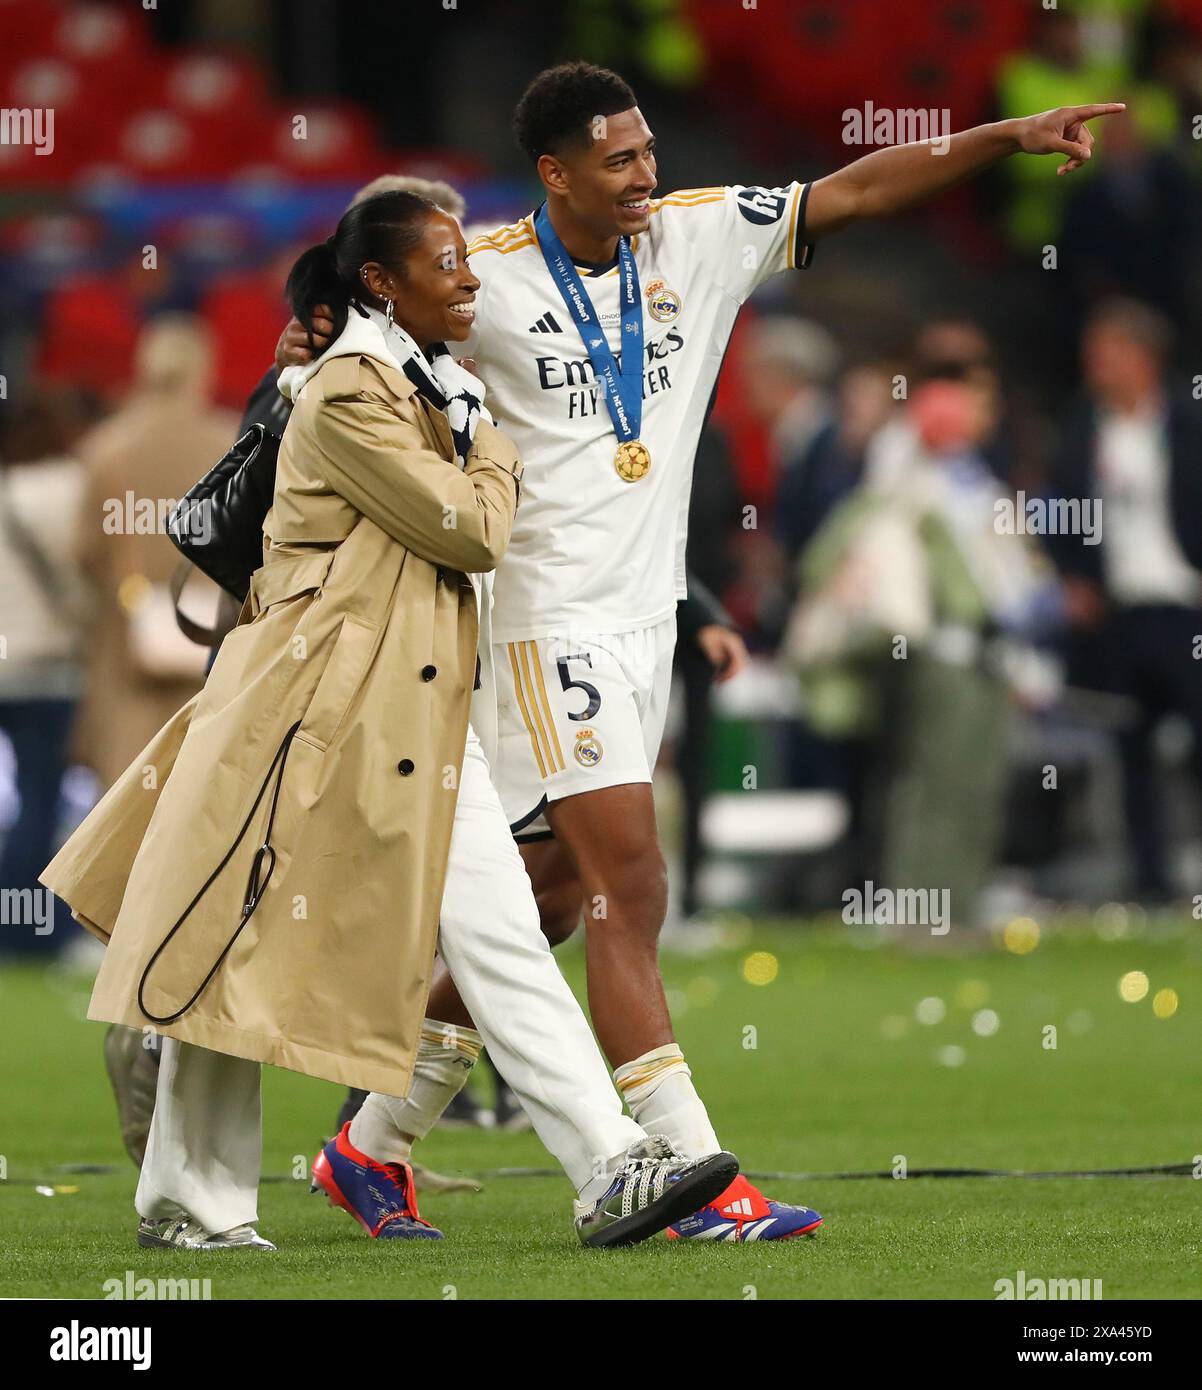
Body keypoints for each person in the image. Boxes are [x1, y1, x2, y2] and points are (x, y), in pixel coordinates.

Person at [278, 62, 1123, 1242]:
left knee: (554, 899)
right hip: (540, 623)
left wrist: (1005, 135)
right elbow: (360, 323)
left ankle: (367, 1147)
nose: (643, 175)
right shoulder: (488, 275)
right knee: (636, 884)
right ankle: (691, 1180)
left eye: (646, 152)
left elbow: (864, 190)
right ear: (555, 172)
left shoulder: (699, 236)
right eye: (616, 160)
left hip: (639, 626)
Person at [41, 190, 737, 1252]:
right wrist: (495, 450)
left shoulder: (428, 384)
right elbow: (468, 530)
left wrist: (473, 429)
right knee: (228, 946)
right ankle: (187, 1198)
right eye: (447, 263)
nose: (470, 279)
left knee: (502, 936)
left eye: (468, 260)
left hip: (411, 718)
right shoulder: (351, 394)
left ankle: (610, 1165)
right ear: (381, 282)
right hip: (306, 717)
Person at [1045, 298, 1202, 902]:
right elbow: (1053, 509)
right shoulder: (1082, 428)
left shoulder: (1187, 423)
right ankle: (1152, 884)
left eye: (1107, 354)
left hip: (1185, 607)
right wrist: (1072, 577)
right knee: (1130, 751)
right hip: (1120, 613)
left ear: (1143, 358)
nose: (1095, 367)